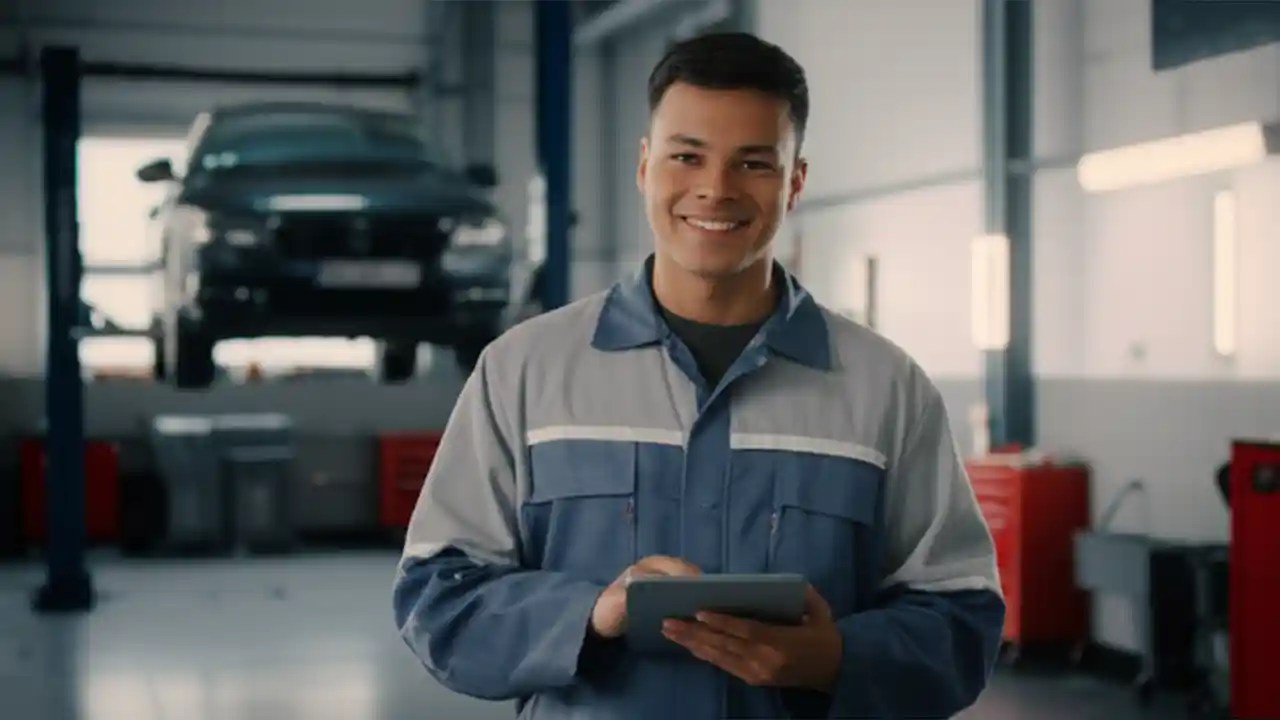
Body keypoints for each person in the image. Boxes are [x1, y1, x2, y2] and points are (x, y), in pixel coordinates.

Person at [393, 31, 1005, 719]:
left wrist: (834, 658)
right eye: (687, 156)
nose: (716, 189)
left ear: (796, 181)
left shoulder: (886, 388)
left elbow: (962, 618)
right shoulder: (524, 372)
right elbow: (437, 597)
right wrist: (591, 613)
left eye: (754, 163)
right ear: (645, 165)